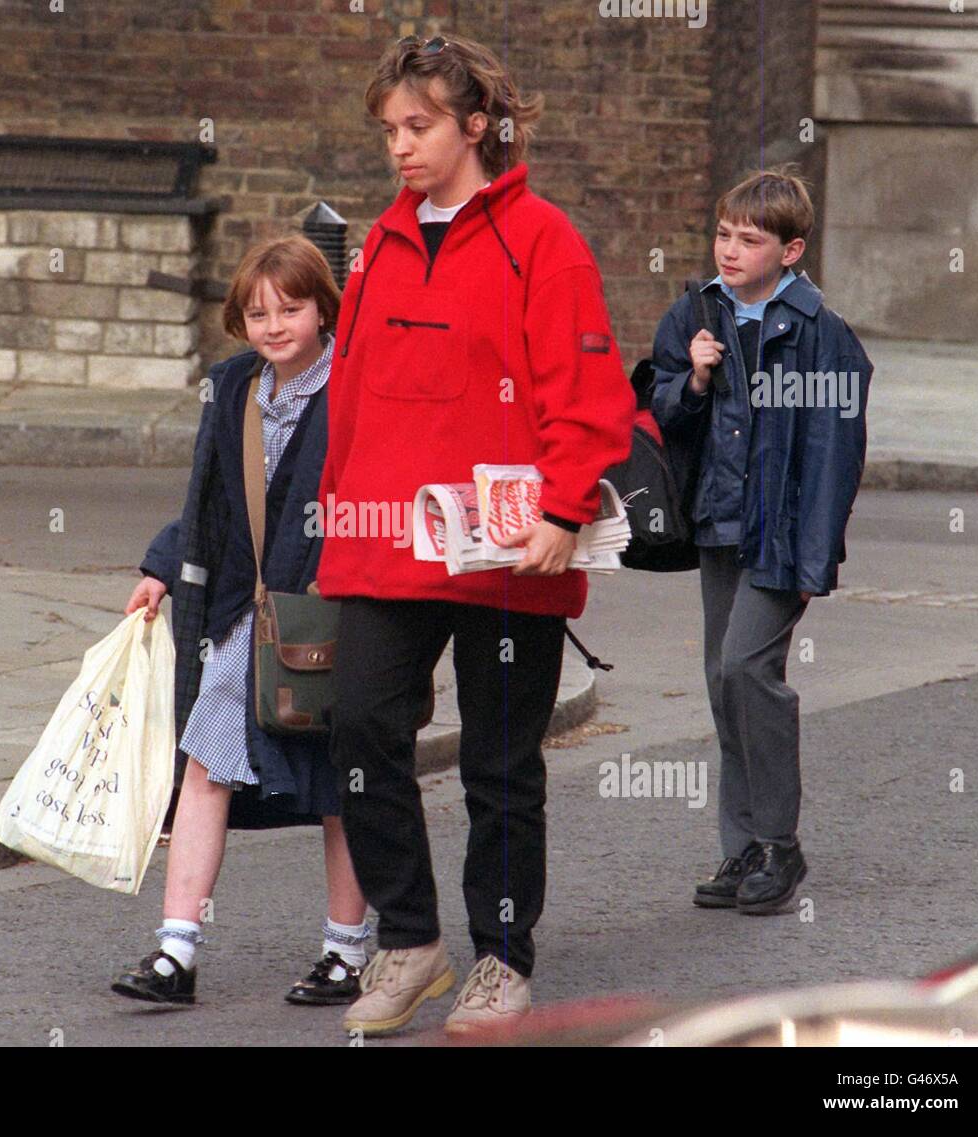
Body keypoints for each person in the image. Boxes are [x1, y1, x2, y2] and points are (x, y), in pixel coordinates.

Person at [317, 34, 636, 1036]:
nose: (399, 148)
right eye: (388, 131)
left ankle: (502, 959)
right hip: (383, 539)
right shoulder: (378, 244)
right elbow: (353, 396)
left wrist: (562, 507)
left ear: (474, 125)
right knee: (359, 730)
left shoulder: (541, 239)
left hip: (508, 549)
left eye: (416, 127)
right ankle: (410, 941)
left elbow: (585, 388)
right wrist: (330, 519)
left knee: (502, 765)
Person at [109, 236, 371, 1007]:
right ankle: (175, 951)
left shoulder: (356, 386)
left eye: (291, 308)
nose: (274, 324)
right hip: (241, 620)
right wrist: (162, 566)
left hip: (330, 615)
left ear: (325, 308)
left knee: (340, 785)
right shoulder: (231, 389)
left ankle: (346, 952)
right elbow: (209, 498)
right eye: (258, 312)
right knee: (205, 760)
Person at [651, 167, 872, 915]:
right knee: (721, 678)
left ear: (791, 249)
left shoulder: (821, 333)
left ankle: (780, 842)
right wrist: (694, 381)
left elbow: (834, 455)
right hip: (717, 522)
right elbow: (657, 409)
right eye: (723, 235)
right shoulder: (697, 312)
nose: (731, 250)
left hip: (779, 534)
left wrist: (815, 557)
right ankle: (741, 844)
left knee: (748, 666)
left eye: (750, 240)